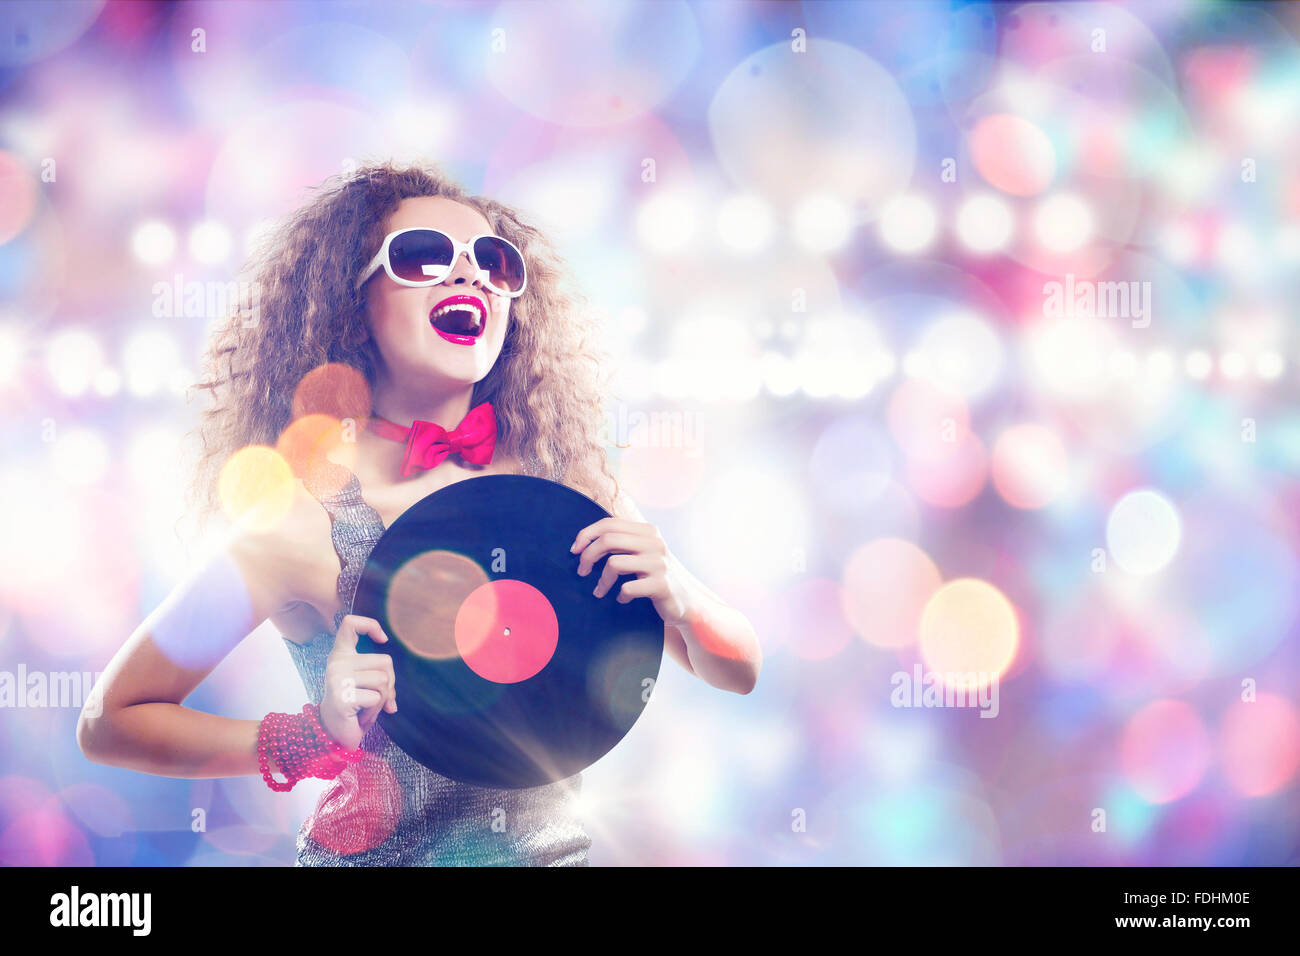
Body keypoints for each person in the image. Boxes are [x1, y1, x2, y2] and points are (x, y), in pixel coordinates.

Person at [76, 160, 762, 866]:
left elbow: (736, 668)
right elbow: (110, 721)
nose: (471, 277)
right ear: (352, 298)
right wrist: (309, 737)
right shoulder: (296, 518)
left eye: (495, 264)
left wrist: (680, 597)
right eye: (423, 257)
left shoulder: (570, 484)